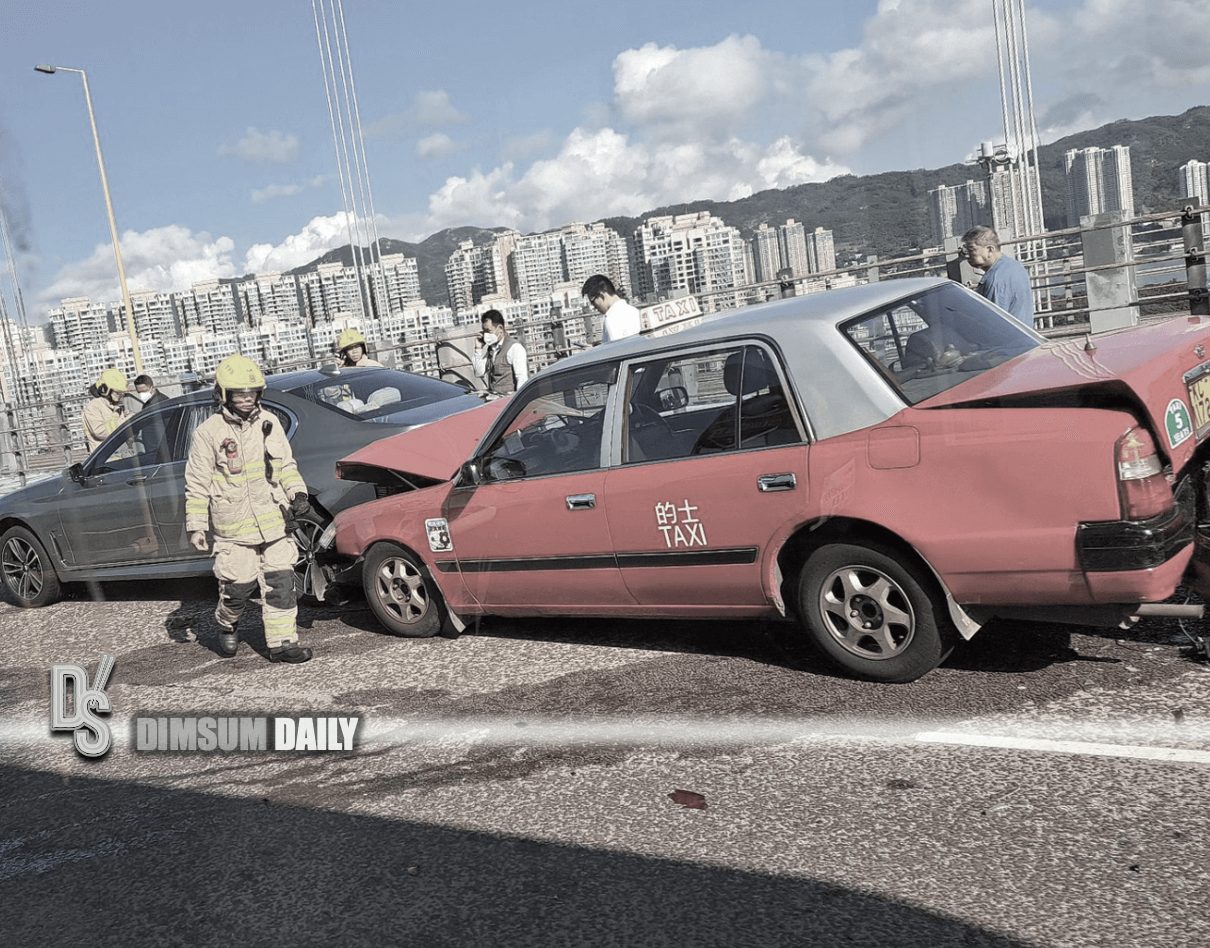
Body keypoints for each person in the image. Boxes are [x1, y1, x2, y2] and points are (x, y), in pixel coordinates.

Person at [184, 353, 313, 664]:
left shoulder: (270, 424)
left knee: (281, 582)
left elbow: (286, 466)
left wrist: (297, 492)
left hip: (273, 522)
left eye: (251, 392)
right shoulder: (208, 433)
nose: (245, 399)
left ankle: (283, 644)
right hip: (233, 528)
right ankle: (226, 622)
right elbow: (197, 482)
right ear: (224, 395)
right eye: (239, 393)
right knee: (238, 588)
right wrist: (196, 525)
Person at [960, 225, 1035, 329]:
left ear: (990, 250)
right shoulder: (1015, 266)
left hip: (1009, 342)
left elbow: (994, 324)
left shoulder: (995, 280)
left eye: (972, 250)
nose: (967, 256)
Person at [471, 309, 528, 395]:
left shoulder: (514, 348)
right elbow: (479, 372)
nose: (485, 335)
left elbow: (522, 379)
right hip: (493, 398)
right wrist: (478, 349)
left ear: (500, 328)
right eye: (484, 331)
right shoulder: (492, 349)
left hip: (507, 400)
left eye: (488, 331)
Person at [582, 274, 641, 344]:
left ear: (601, 295)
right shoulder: (634, 311)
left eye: (593, 301)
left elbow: (614, 351)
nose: (593, 306)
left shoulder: (611, 319)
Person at [82, 368, 129, 452]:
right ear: (105, 390)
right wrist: (126, 423)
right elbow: (99, 432)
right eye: (117, 392)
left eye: (122, 393)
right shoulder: (94, 406)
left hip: (121, 455)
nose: (120, 396)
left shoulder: (115, 406)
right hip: (106, 458)